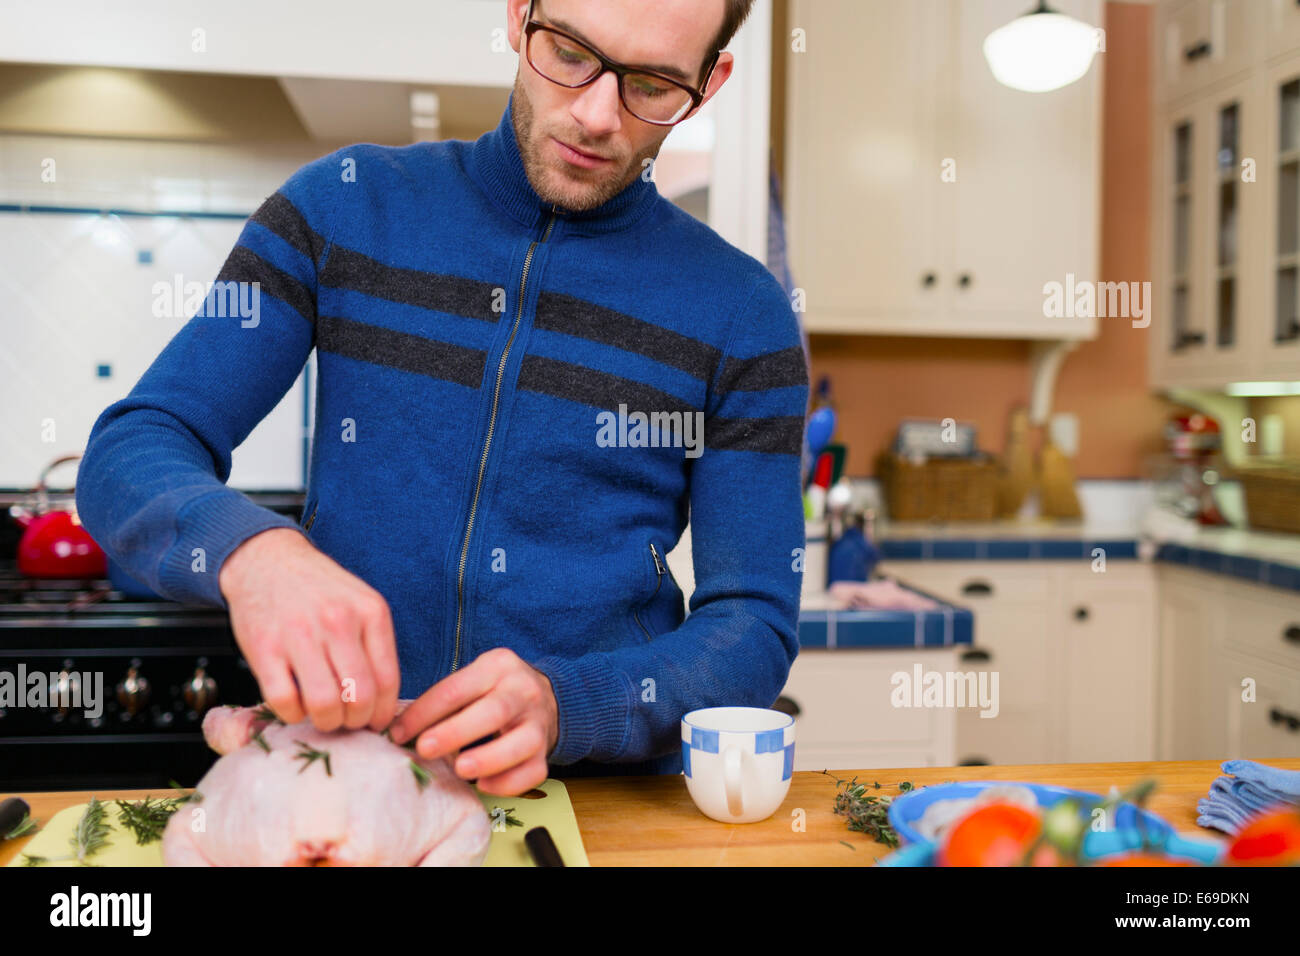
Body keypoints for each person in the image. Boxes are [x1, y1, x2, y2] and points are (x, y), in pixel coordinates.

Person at [76, 0, 809, 796]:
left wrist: (572, 706)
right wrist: (255, 554)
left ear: (711, 82)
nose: (598, 116)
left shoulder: (744, 312)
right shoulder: (340, 209)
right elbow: (133, 446)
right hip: (346, 782)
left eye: (654, 85)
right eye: (568, 52)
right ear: (518, 15)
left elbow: (752, 626)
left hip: (596, 805)